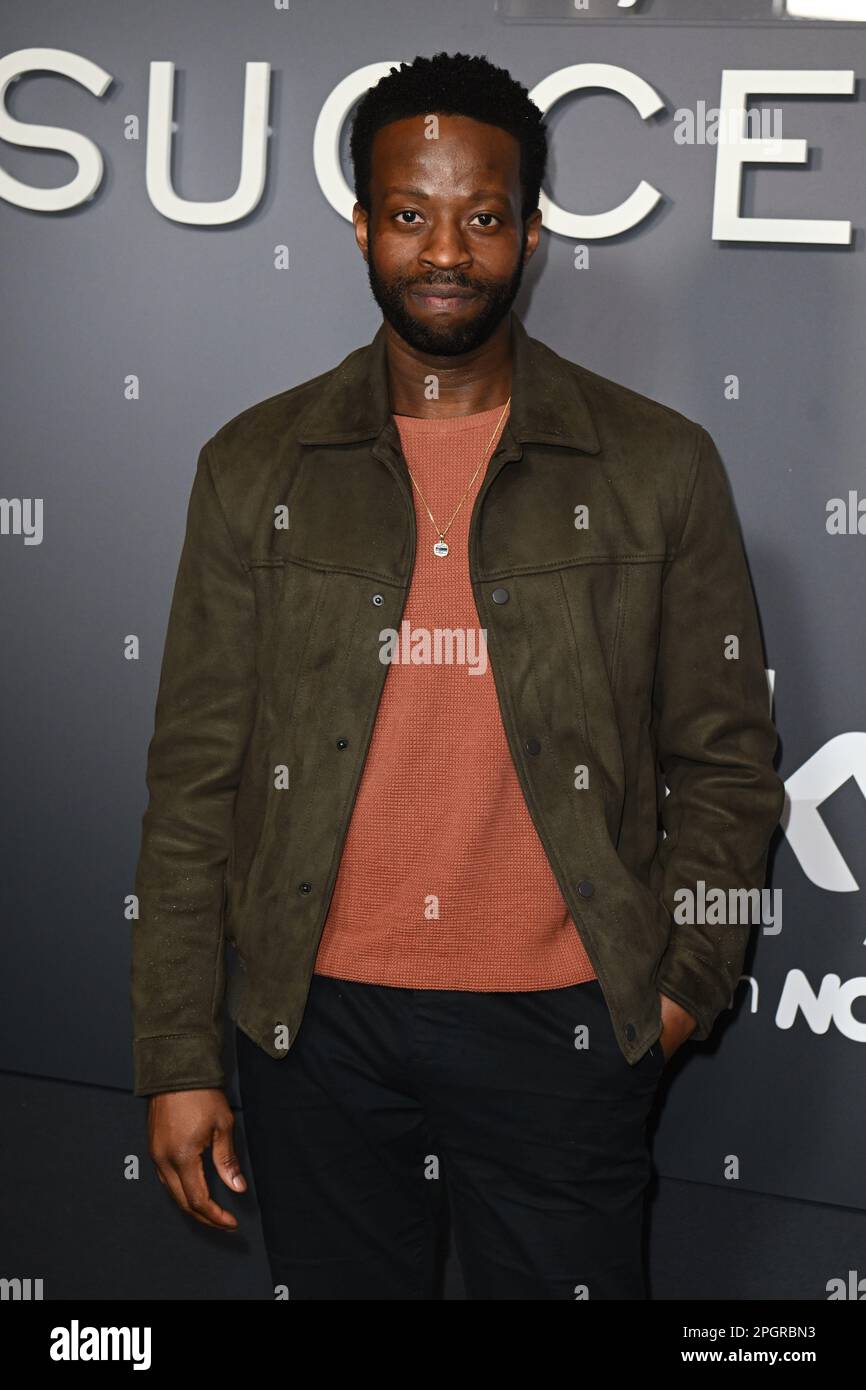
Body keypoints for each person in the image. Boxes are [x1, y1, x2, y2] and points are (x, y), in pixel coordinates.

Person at [131, 51, 784, 1300]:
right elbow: (194, 778)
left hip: (566, 1023)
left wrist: (677, 995)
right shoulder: (254, 463)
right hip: (312, 1029)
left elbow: (727, 767)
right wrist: (176, 1052)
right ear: (361, 228)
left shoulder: (656, 464)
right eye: (411, 215)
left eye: (481, 217)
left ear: (530, 234)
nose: (446, 250)